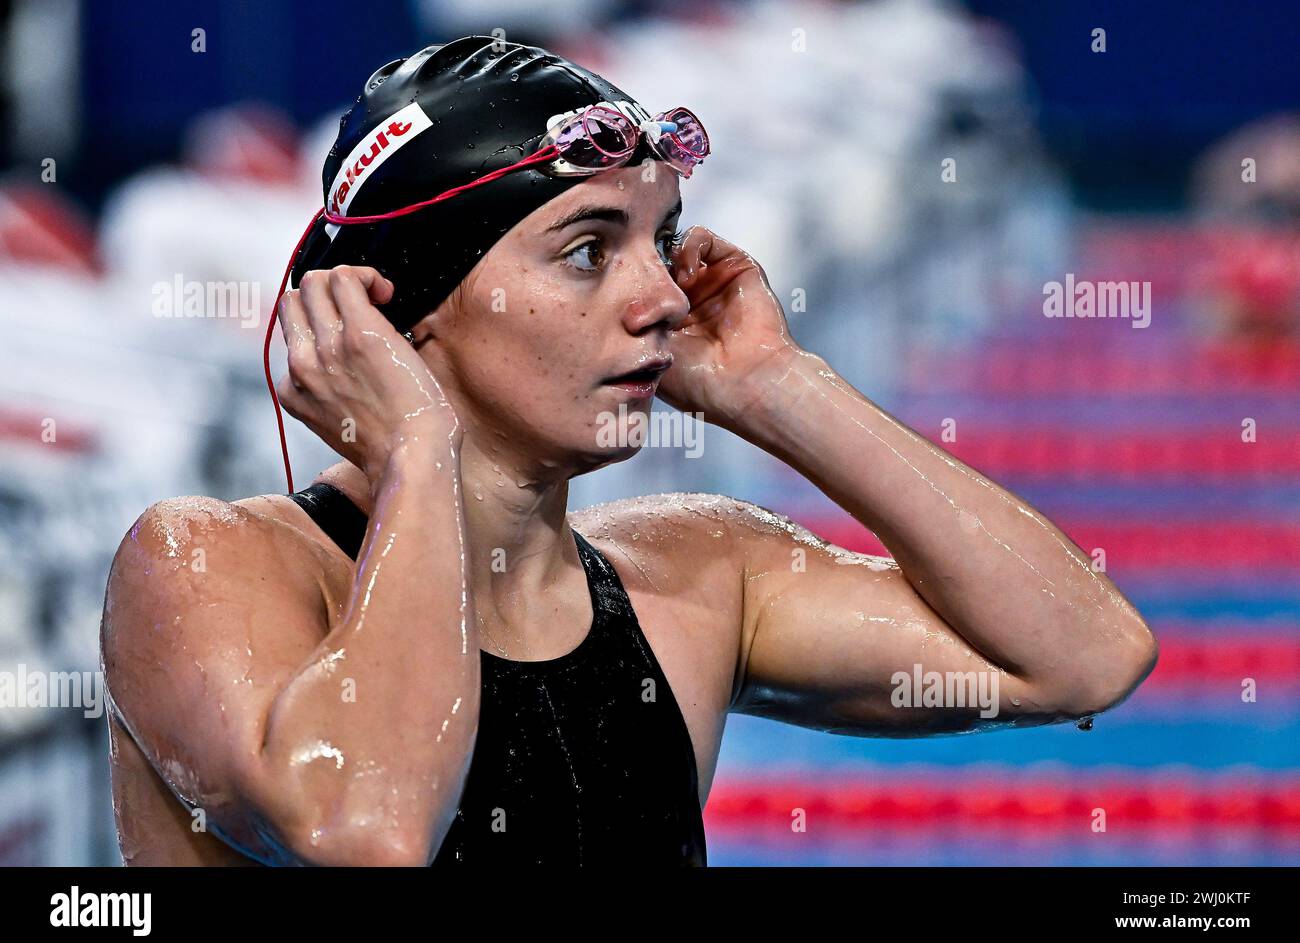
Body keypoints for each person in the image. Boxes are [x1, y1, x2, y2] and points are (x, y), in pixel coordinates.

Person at [99, 36, 1157, 866]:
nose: (660, 298)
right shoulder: (205, 566)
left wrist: (778, 387)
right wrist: (417, 451)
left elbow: (1083, 656)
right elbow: (368, 824)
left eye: (658, 241)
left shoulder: (690, 576)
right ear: (400, 305)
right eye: (587, 252)